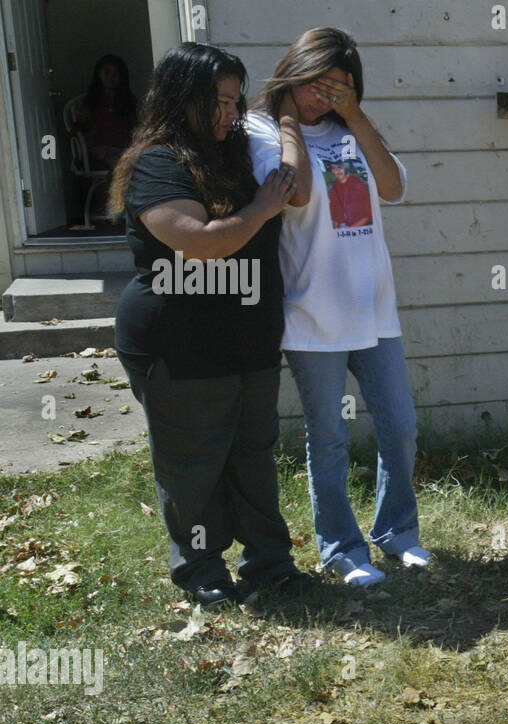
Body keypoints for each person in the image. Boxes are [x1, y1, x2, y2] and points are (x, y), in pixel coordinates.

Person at [109, 42, 312, 606]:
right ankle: (202, 570)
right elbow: (201, 244)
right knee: (195, 463)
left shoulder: (238, 150)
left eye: (236, 99)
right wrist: (262, 208)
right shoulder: (159, 162)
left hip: (248, 337)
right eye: (220, 101)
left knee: (253, 455)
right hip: (178, 341)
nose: (232, 111)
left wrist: (289, 120)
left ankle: (270, 565)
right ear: (184, 99)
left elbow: (292, 187)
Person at [246, 27, 428, 587]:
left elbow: (393, 187)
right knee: (328, 438)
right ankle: (342, 550)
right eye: (317, 85)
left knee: (400, 425)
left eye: (340, 89)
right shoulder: (257, 130)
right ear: (293, 74)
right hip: (312, 313)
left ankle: (397, 531)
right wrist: (287, 119)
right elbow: (296, 193)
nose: (325, 98)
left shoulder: (353, 129)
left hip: (374, 308)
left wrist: (356, 118)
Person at [74, 54, 138, 170]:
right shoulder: (93, 100)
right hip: (100, 150)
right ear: (99, 74)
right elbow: (84, 123)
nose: (110, 77)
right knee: (114, 162)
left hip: (123, 149)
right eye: (107, 73)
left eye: (115, 74)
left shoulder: (127, 100)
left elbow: (134, 125)